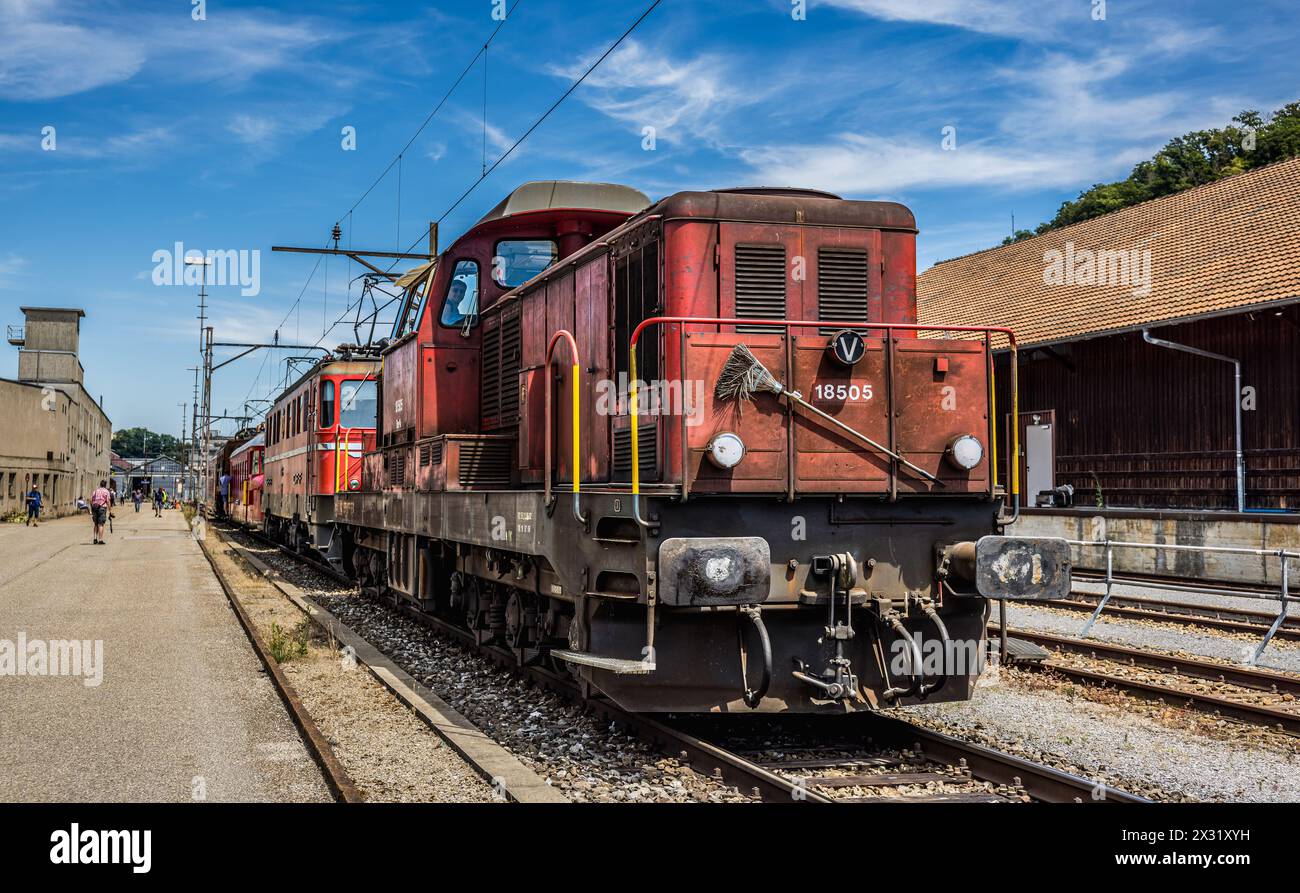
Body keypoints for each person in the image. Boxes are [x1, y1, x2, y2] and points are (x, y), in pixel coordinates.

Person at [90, 480, 112, 545]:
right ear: (105, 485)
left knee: (95, 524)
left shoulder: (96, 491)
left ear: (100, 484)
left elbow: (91, 500)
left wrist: (92, 508)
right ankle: (100, 540)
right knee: (101, 524)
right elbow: (108, 501)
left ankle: (94, 539)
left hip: (95, 508)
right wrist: (110, 510)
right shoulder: (106, 491)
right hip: (102, 508)